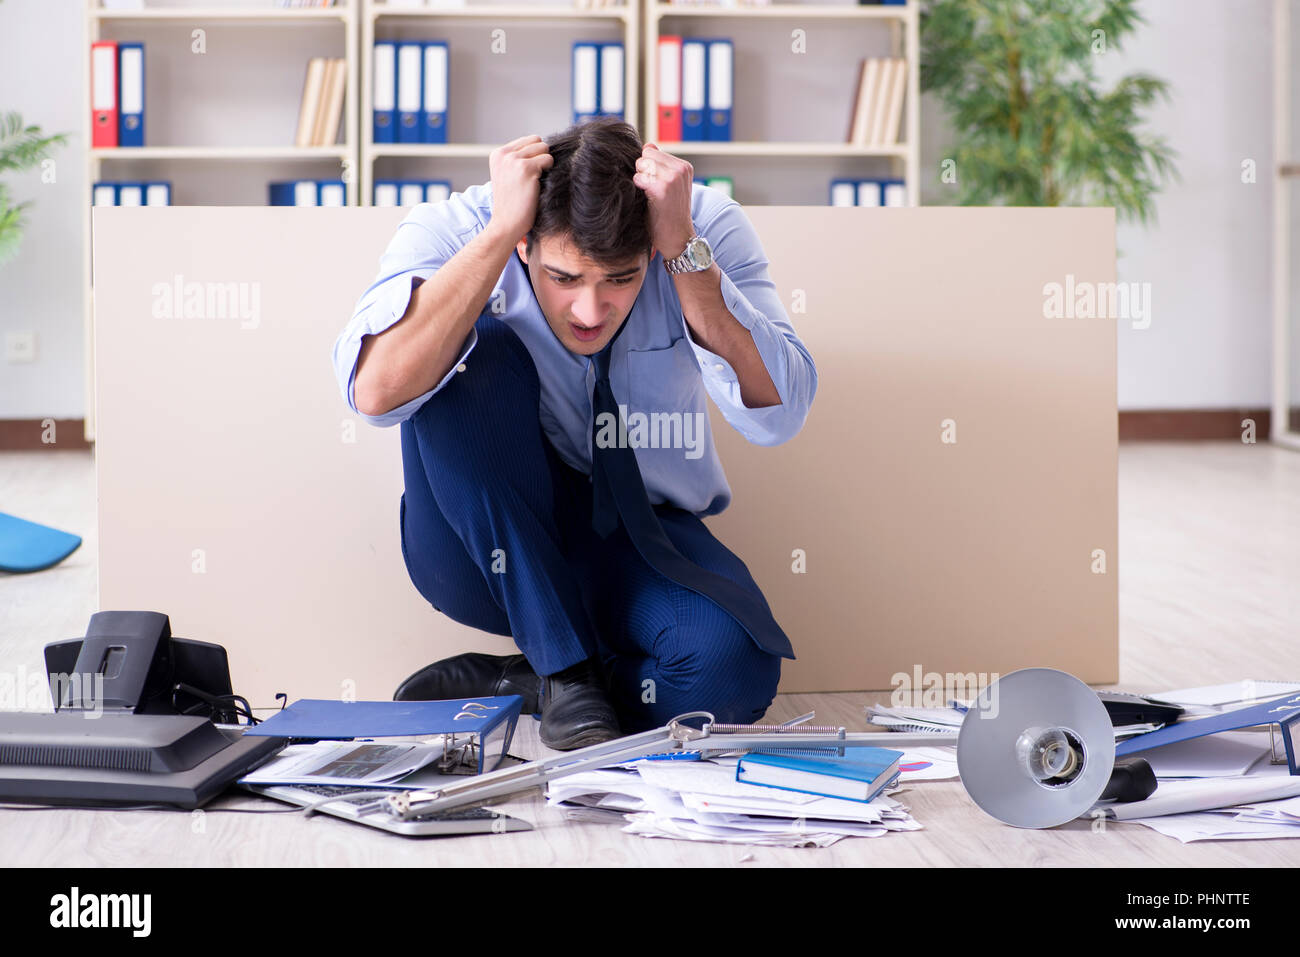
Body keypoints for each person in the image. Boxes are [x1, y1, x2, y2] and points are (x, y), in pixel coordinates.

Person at [331, 117, 817, 751]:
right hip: (483, 548)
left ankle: (551, 680)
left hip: (635, 535)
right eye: (565, 279)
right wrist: (501, 233)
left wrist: (681, 252)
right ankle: (564, 666)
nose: (590, 313)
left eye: (620, 279)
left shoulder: (699, 229)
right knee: (476, 346)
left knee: (731, 672)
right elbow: (374, 392)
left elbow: (780, 413)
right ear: (529, 245)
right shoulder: (463, 225)